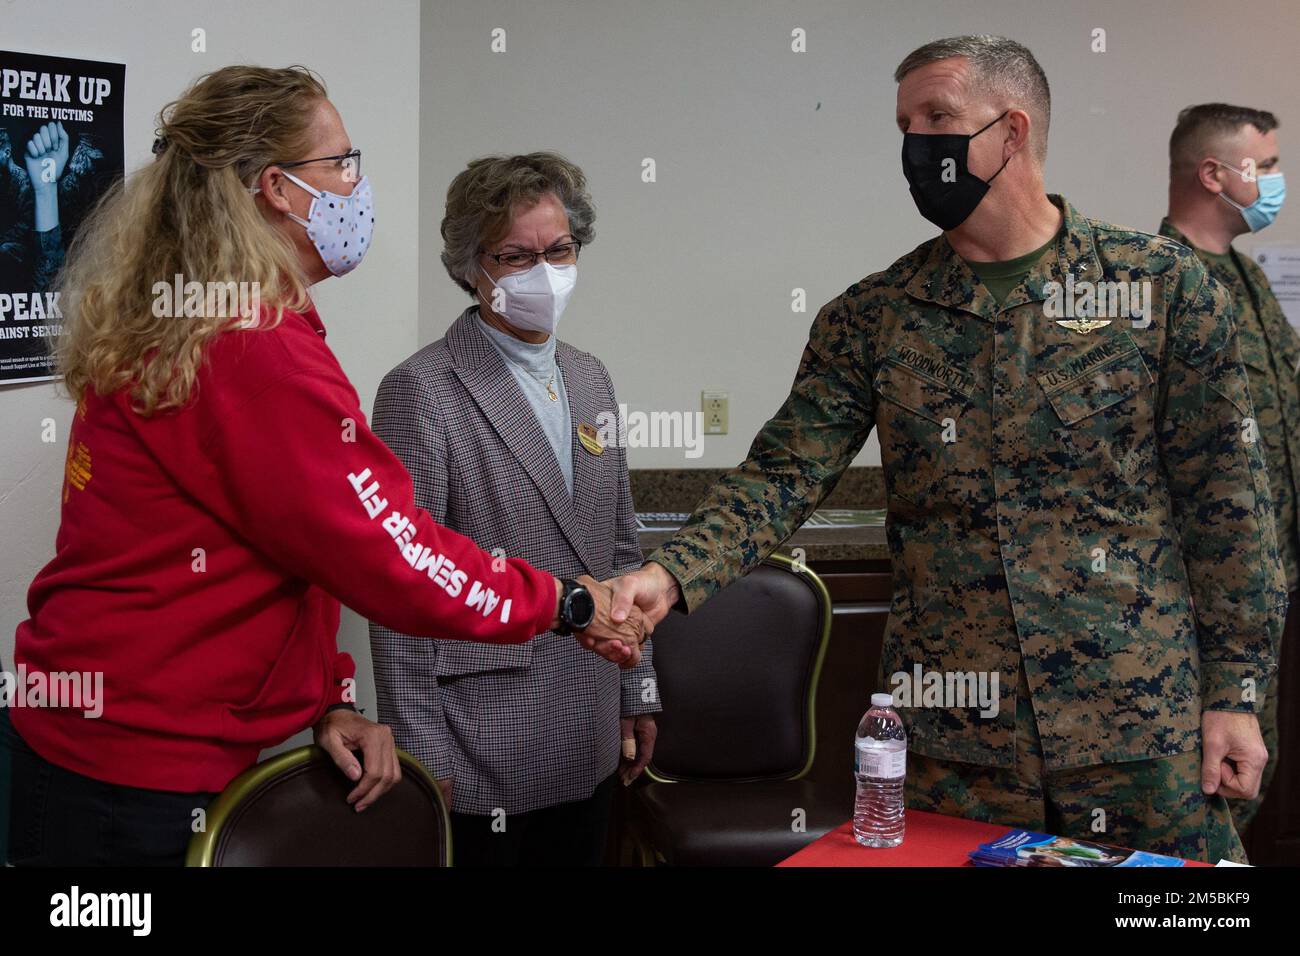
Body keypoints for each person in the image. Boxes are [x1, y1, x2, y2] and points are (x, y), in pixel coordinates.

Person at [608, 35, 1284, 863]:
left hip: (1139, 725)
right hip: (958, 740)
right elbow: (781, 477)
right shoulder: (876, 315)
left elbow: (1230, 515)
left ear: (1012, 131)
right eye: (904, 125)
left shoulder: (1162, 288)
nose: (916, 146)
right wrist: (668, 576)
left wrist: (1237, 694)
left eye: (938, 118)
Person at [2, 65, 643, 867]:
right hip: (132, 783)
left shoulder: (211, 316)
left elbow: (295, 553)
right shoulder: (250, 343)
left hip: (110, 750)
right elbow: (391, 554)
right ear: (276, 187)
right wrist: (561, 602)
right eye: (340, 163)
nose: (356, 184)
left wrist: (327, 702)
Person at [369, 152, 660, 866]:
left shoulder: (590, 378)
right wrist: (417, 749)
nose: (544, 271)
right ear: (473, 267)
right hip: (479, 738)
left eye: (558, 250)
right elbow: (400, 585)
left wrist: (640, 685)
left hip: (588, 725)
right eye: (516, 256)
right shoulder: (421, 391)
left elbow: (622, 542)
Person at [1160, 103, 1295, 836]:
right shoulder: (1162, 285)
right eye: (1266, 166)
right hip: (1192, 602)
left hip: (1262, 588)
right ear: (1214, 174)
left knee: (1247, 787)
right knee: (1202, 798)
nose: (1278, 181)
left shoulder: (1245, 278)